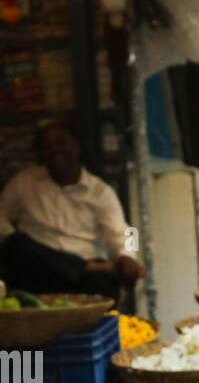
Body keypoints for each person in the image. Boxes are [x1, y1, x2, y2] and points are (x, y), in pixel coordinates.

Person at [0, 120, 144, 299]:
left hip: (85, 278)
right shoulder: (23, 183)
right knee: (15, 243)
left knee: (105, 287)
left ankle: (85, 268)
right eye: (47, 146)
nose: (54, 150)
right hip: (40, 276)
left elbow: (128, 231)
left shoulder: (100, 191)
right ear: (40, 153)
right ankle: (84, 266)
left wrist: (128, 256)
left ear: (77, 146)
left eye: (61, 143)